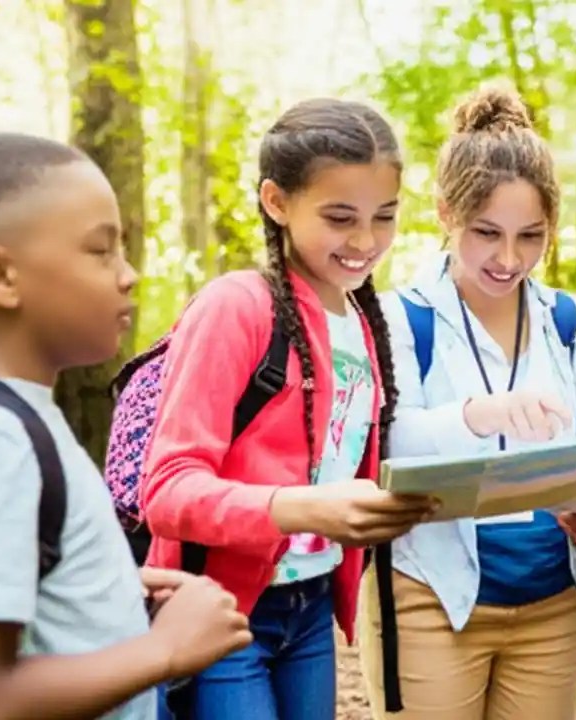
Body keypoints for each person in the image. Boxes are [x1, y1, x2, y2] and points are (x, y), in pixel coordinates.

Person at [140, 99, 435, 719]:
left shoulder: (362, 322)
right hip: (218, 609)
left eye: (385, 217)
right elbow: (166, 489)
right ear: (277, 202)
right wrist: (299, 507)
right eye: (340, 217)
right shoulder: (235, 307)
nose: (366, 241)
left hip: (311, 604)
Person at [0, 132, 251, 720]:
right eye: (100, 250)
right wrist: (164, 651)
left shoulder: (20, 417)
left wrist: (109, 584)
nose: (129, 275)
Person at [357, 84, 576, 720]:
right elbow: (383, 450)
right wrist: (476, 415)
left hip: (553, 603)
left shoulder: (571, 320)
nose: (509, 258)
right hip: (429, 598)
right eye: (486, 233)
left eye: (531, 236)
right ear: (446, 213)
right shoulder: (396, 318)